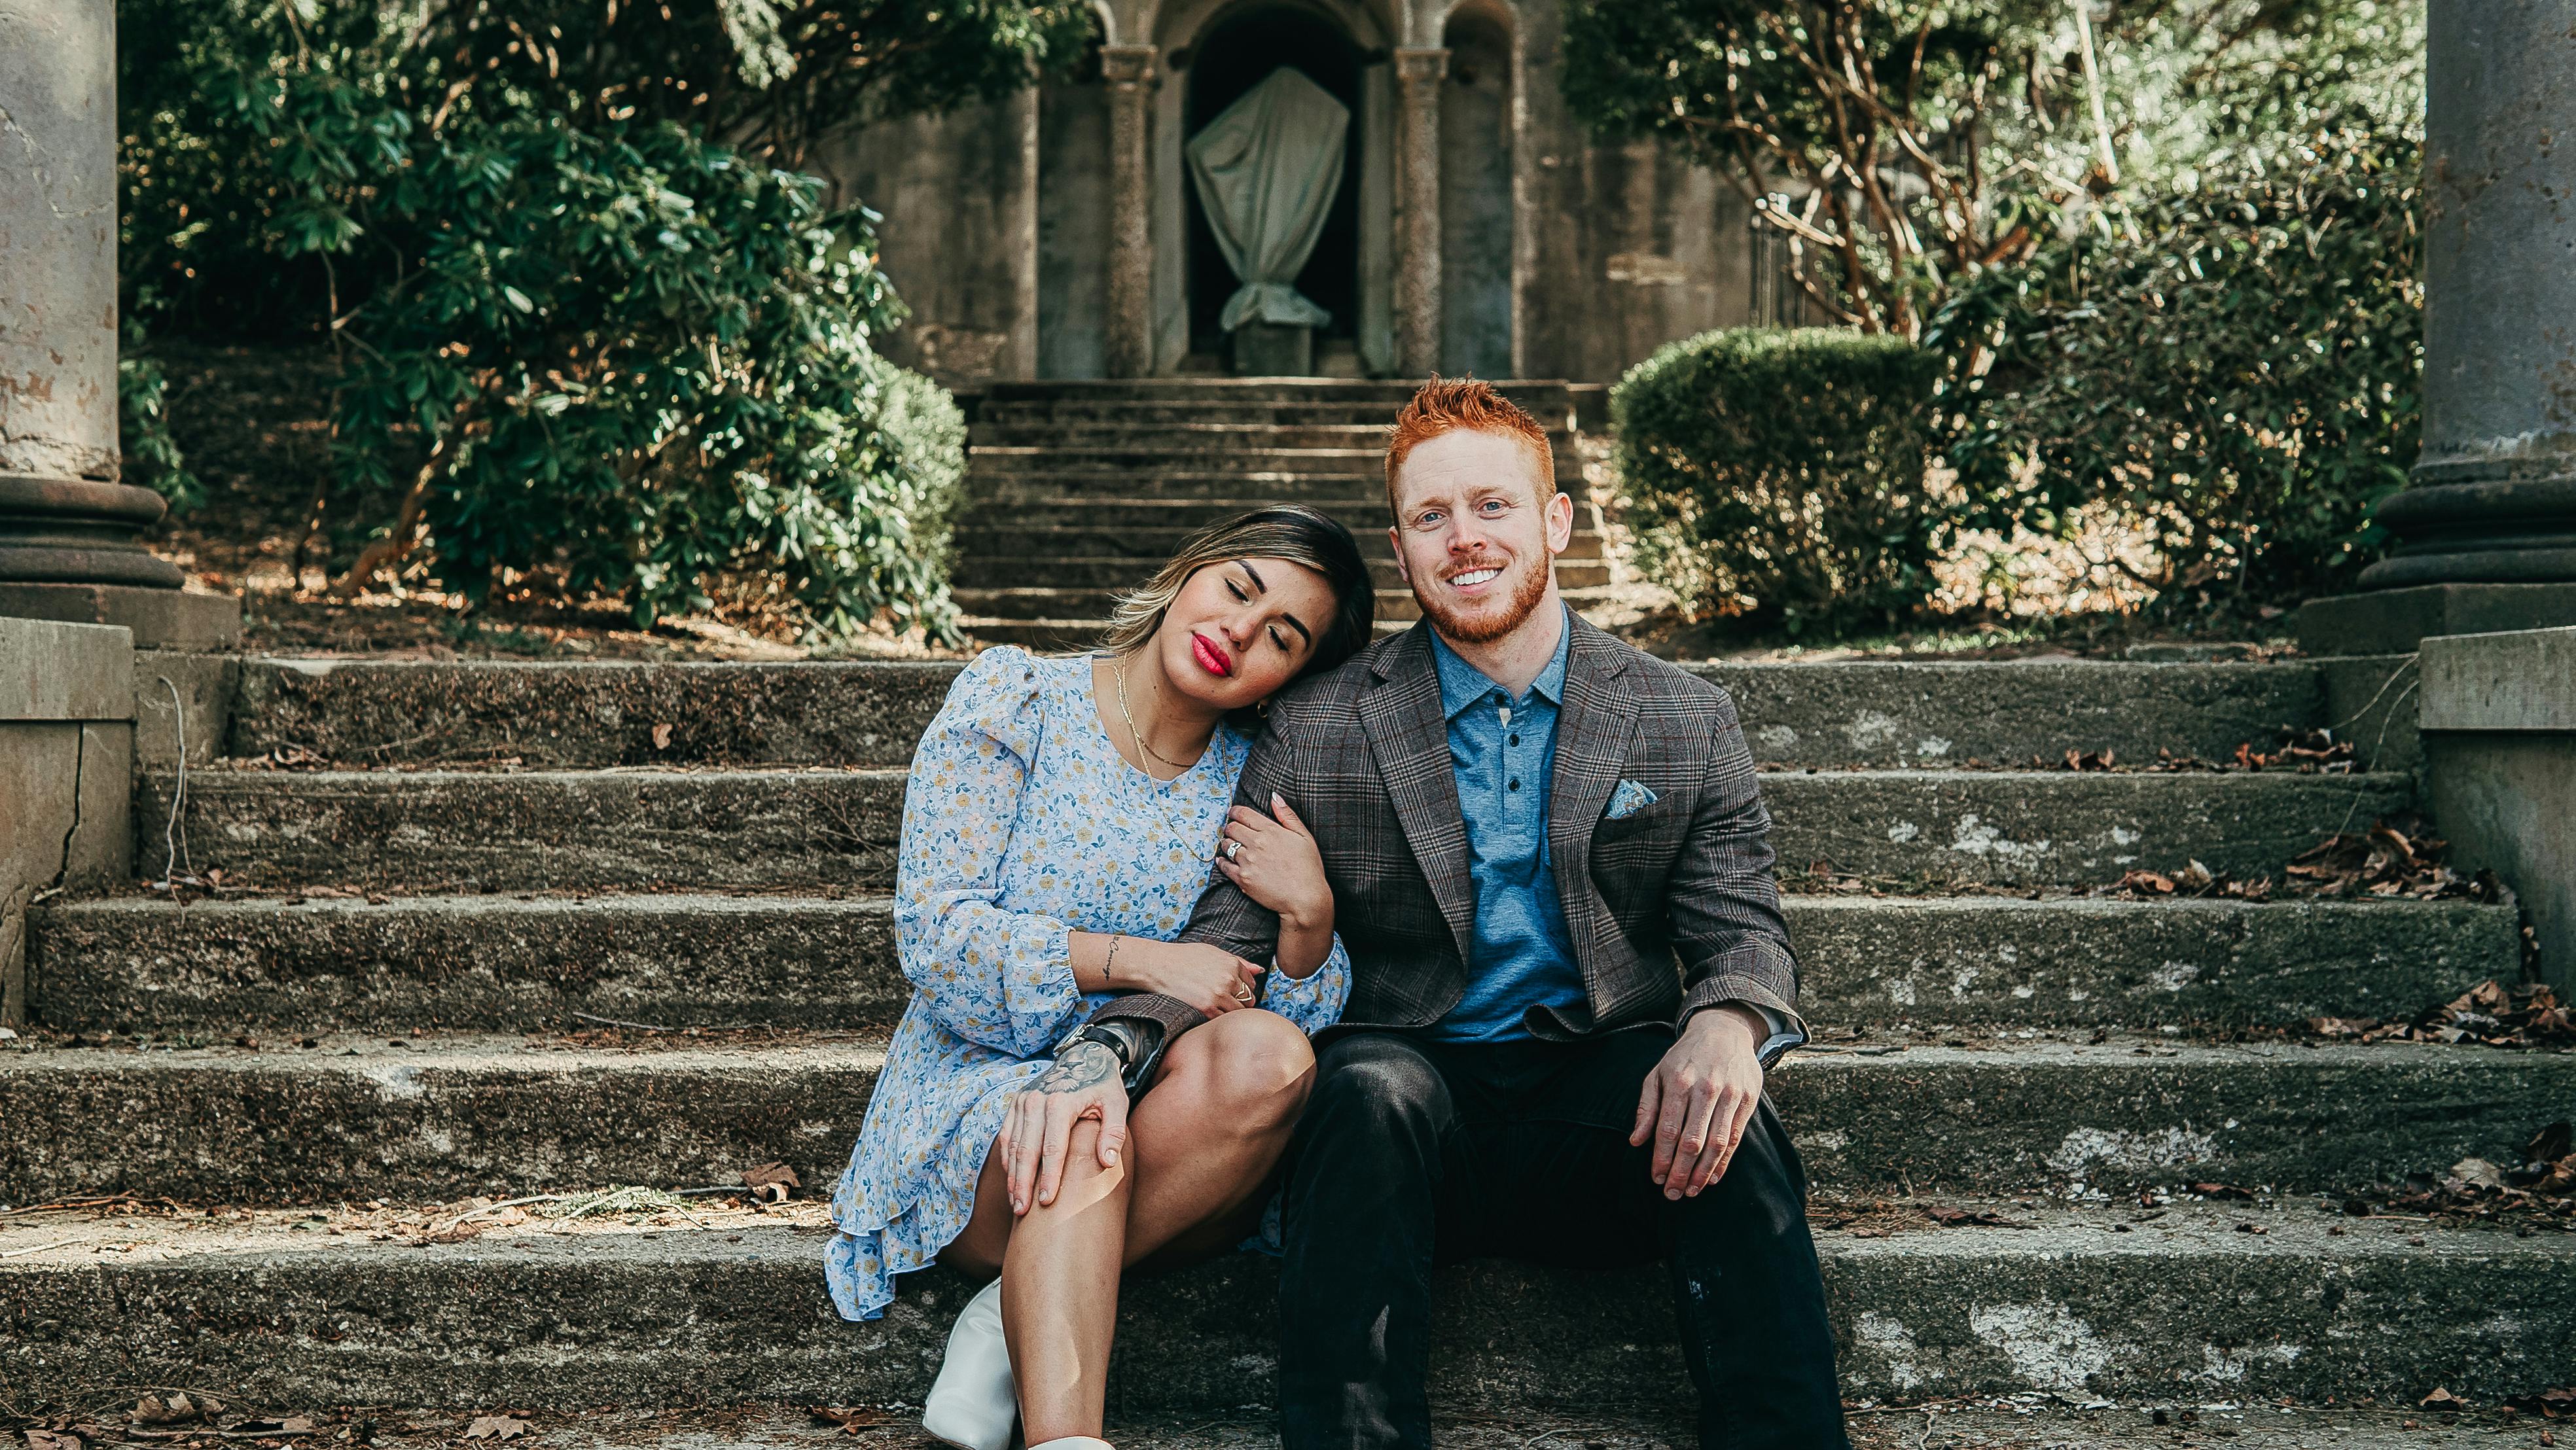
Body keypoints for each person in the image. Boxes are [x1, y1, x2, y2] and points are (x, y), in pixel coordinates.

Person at [1027, 378, 1850, 1449]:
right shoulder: (1319, 722)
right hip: (1406, 1119)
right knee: (1364, 1089)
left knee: (1731, 1120)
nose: (1465, 540)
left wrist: (1729, 1024)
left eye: (1493, 506)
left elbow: (1742, 926)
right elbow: (1228, 934)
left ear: (1555, 520)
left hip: (1602, 1108)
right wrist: (1106, 1053)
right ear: (1403, 548)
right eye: (1432, 518)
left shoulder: (1683, 717)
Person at [823, 506, 1377, 1450]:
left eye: (1282, 635)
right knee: (1083, 1106)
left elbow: (1281, 1014)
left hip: (1161, 1132)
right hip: (975, 1120)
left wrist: (1311, 912)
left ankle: (1011, 1310)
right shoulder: (1019, 698)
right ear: (1190, 569)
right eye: (1238, 588)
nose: (1239, 630)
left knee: (1271, 1059)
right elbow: (938, 934)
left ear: (1292, 676)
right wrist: (1139, 963)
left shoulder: (1253, 784)